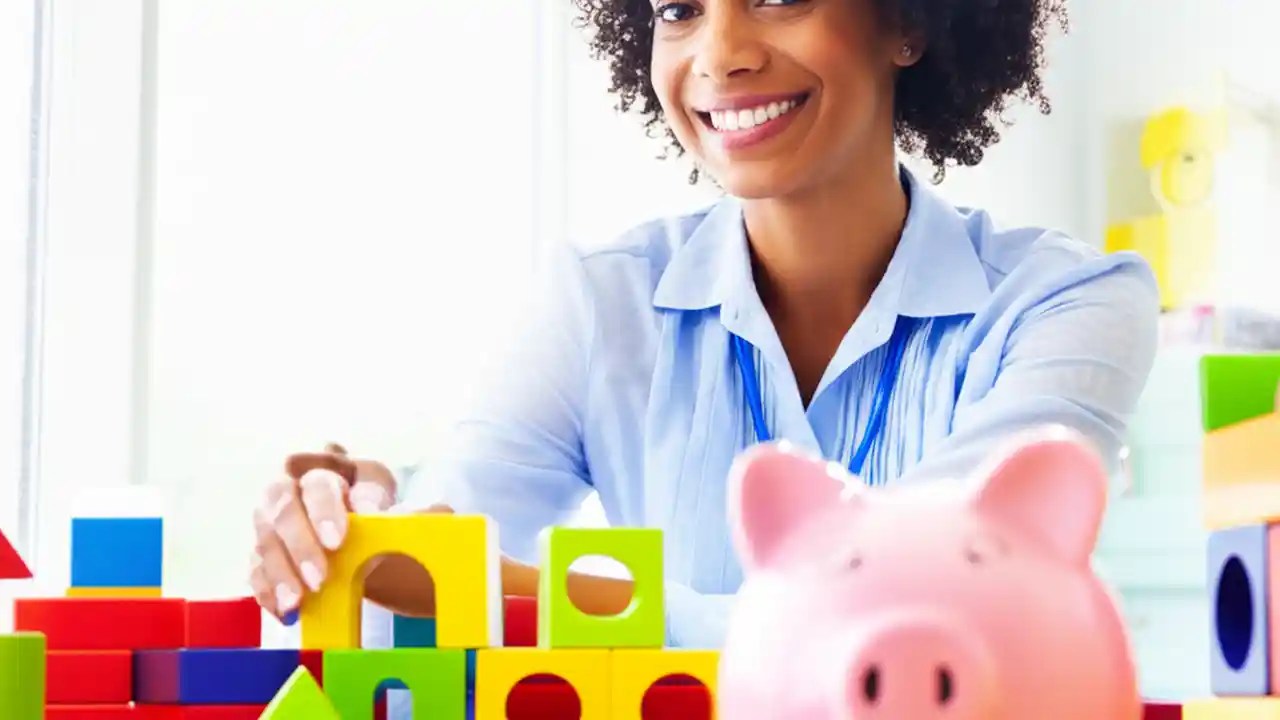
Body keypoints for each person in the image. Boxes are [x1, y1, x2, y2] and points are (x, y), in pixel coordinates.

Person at [248, 0, 1159, 650]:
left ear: (908, 22)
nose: (719, 53)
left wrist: (553, 597)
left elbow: (907, 611)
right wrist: (352, 526)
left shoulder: (1065, 306)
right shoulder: (599, 305)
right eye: (678, 9)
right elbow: (411, 584)